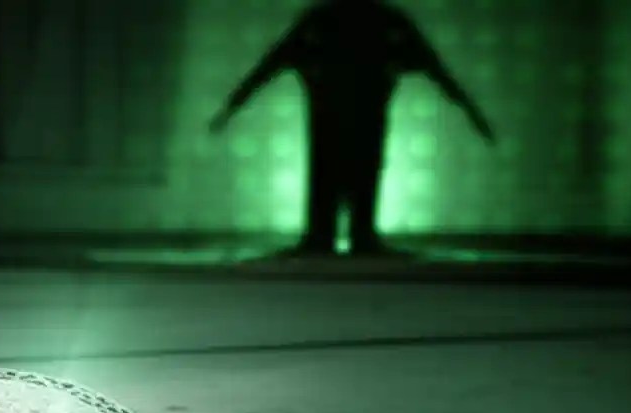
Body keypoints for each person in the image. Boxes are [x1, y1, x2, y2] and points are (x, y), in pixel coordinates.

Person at [209, 0, 496, 257]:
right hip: (357, 113)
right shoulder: (380, 21)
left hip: (338, 113)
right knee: (355, 172)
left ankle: (332, 237)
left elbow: (271, 63)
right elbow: (436, 69)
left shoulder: (329, 20)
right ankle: (349, 236)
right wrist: (471, 112)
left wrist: (232, 106)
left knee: (335, 173)